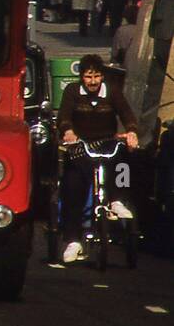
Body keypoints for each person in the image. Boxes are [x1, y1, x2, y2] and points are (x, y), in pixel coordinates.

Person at [57, 54, 141, 263]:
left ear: (102, 76)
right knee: (73, 186)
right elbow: (64, 117)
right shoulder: (72, 92)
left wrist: (131, 132)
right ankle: (73, 241)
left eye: (96, 76)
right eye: (88, 77)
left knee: (122, 164)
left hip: (106, 143)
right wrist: (68, 132)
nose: (93, 81)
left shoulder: (112, 91)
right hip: (80, 146)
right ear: (81, 77)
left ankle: (117, 200)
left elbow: (127, 115)